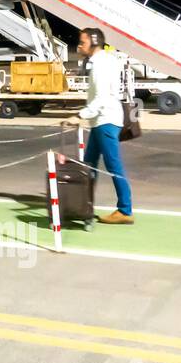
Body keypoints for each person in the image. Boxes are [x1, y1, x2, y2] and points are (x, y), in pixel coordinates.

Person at [64, 27, 135, 224]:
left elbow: (101, 98)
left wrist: (80, 115)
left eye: (83, 42)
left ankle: (125, 210)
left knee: (113, 166)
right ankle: (83, 206)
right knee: (89, 166)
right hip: (102, 120)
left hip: (105, 120)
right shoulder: (106, 60)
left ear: (94, 42)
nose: (79, 45)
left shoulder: (101, 65)